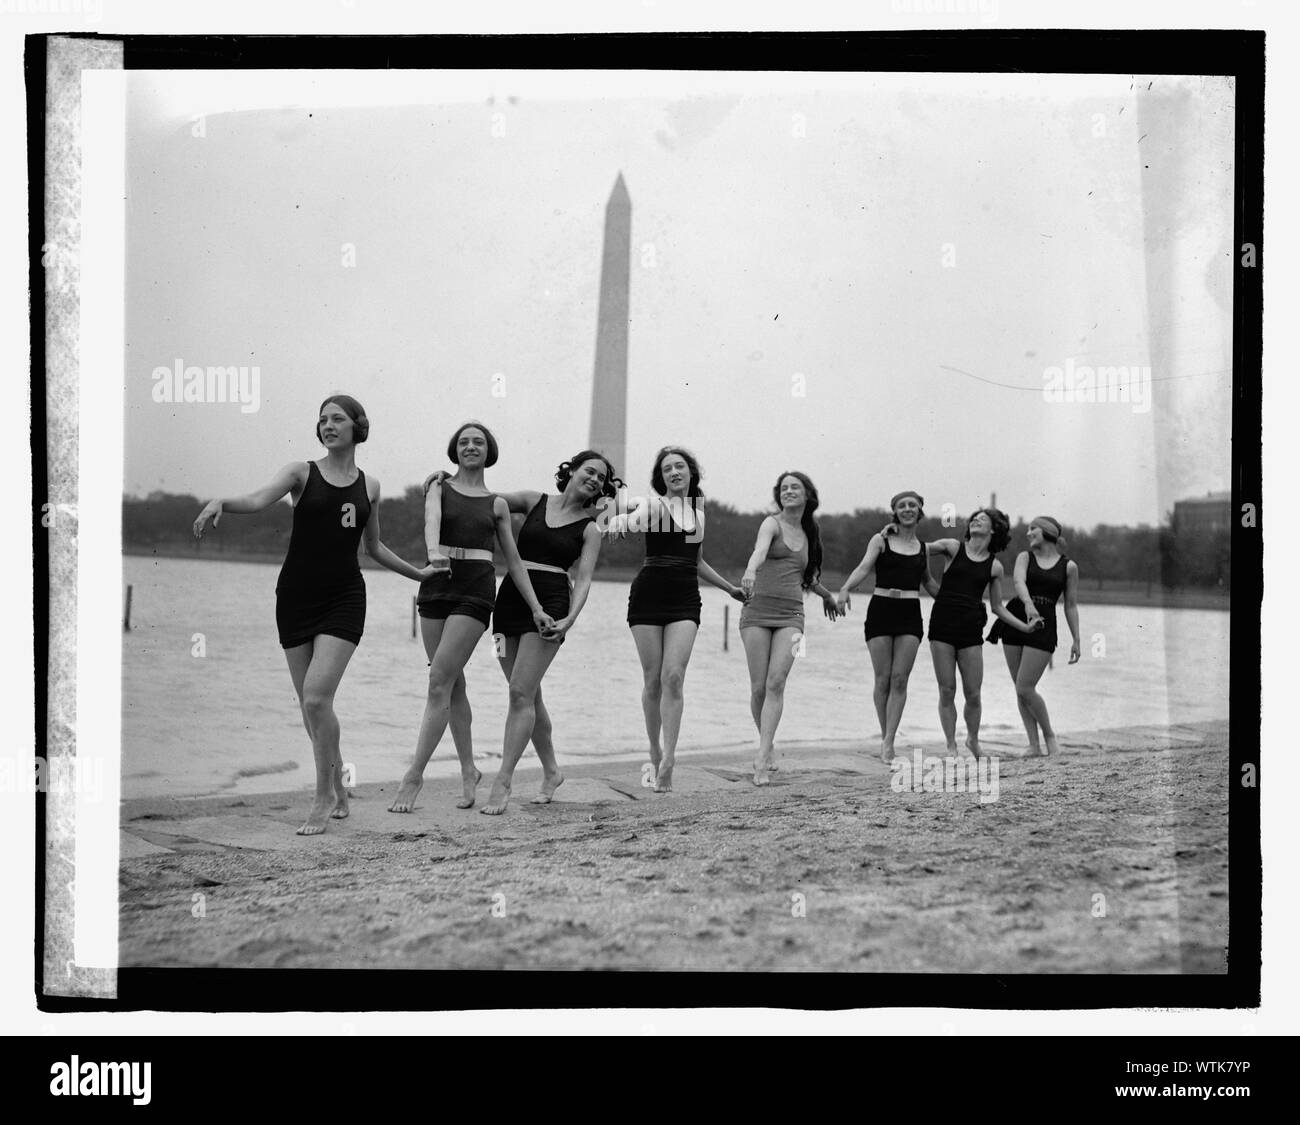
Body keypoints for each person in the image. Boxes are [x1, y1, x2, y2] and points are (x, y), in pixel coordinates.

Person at [193, 394, 438, 836]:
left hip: (344, 596)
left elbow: (374, 547)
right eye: (322, 419)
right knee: (312, 709)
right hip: (295, 597)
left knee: (316, 698)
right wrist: (221, 502)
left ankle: (323, 795)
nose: (327, 425)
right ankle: (339, 783)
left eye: (337, 418)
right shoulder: (300, 472)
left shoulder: (371, 486)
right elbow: (257, 499)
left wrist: (418, 574)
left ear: (357, 426)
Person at [388, 422, 552, 814]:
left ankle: (414, 775)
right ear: (454, 449)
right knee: (452, 683)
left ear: (489, 449)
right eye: (463, 442)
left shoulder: (496, 503)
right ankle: (468, 770)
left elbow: (512, 560)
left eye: (478, 441)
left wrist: (535, 606)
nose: (470, 447)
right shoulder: (438, 486)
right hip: (435, 583)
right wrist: (433, 554)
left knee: (437, 681)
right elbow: (431, 520)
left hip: (475, 591)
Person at [478, 450, 617, 813]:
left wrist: (571, 618)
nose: (595, 480)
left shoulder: (590, 529)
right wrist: (444, 482)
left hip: (552, 606)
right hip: (509, 598)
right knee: (528, 696)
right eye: (590, 471)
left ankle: (503, 780)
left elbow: (584, 579)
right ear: (571, 470)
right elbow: (484, 498)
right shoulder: (532, 501)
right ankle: (552, 771)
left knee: (520, 694)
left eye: (601, 478)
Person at [608, 446, 747, 793]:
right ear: (662, 477)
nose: (674, 472)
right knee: (652, 680)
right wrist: (617, 523)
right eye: (667, 468)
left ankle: (669, 758)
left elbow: (697, 561)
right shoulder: (654, 505)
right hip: (648, 595)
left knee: (674, 676)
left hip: (685, 597)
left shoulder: (699, 514)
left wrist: (729, 588)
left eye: (679, 466)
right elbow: (630, 519)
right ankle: (653, 749)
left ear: (690, 472)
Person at [740, 472, 840, 786]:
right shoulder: (771, 523)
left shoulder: (810, 533)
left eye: (795, 487)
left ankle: (761, 758)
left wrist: (827, 596)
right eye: (784, 488)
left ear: (808, 494)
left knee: (777, 682)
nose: (789, 491)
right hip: (756, 611)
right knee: (759, 688)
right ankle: (768, 747)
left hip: (793, 615)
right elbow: (759, 550)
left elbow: (806, 576)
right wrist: (750, 571)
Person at [924, 508, 1042, 757]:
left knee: (973, 694)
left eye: (983, 519)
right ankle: (951, 745)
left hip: (970, 629)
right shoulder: (952, 547)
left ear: (993, 530)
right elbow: (916, 549)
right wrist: (926, 579)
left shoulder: (995, 567)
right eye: (974, 518)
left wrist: (1025, 627)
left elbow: (998, 607)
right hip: (941, 626)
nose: (975, 520)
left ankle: (973, 740)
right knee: (946, 690)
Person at [834, 490, 940, 761]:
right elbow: (863, 567)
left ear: (919, 512)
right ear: (895, 511)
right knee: (882, 679)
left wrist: (953, 601)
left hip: (910, 612)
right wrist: (845, 588)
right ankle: (886, 738)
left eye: (912, 505)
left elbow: (928, 582)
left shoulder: (923, 548)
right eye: (902, 506)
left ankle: (889, 740)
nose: (907, 509)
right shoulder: (881, 539)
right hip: (881, 609)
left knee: (900, 679)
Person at [986, 515, 1081, 756]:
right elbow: (1019, 581)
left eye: (1033, 529)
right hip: (1016, 619)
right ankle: (1033, 744)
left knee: (1025, 686)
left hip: (1045, 625)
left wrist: (1076, 639)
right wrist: (1028, 605)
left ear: (1047, 532)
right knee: (1019, 686)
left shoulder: (1068, 567)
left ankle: (1050, 737)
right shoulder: (1025, 557)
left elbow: (1070, 605)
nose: (1028, 534)